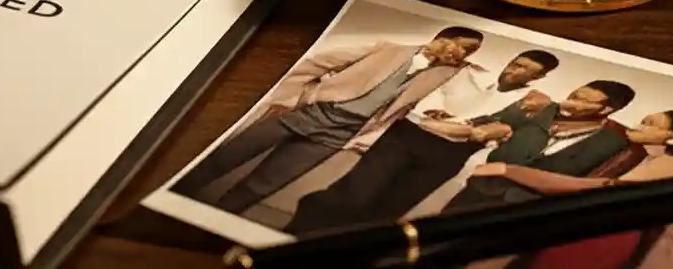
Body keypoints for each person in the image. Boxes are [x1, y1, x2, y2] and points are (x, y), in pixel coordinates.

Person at [171, 27, 484, 214]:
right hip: (309, 112)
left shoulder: (445, 75)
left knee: (266, 182)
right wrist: (290, 99)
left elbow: (458, 100)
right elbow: (312, 65)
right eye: (461, 45)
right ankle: (172, 201)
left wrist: (467, 68)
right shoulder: (387, 48)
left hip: (336, 136)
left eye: (469, 51)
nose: (461, 53)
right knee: (226, 157)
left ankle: (213, 222)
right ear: (443, 38)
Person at [282, 50, 560, 236]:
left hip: (450, 155)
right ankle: (295, 237)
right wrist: (466, 124)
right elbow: (430, 103)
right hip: (408, 137)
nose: (514, 70)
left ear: (537, 77)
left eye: (524, 70)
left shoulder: (534, 102)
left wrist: (466, 125)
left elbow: (499, 132)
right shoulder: (469, 72)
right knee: (354, 193)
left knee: (389, 212)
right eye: (516, 63)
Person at [470, 110, 673, 269]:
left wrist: (512, 170)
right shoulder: (669, 163)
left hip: (601, 238)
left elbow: (590, 189)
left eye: (650, 123)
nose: (639, 127)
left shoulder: (670, 164)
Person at [440, 80, 639, 213]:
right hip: (479, 189)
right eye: (574, 94)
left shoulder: (615, 142)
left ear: (606, 109)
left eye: (583, 101)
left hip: (528, 208)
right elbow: (491, 122)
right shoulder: (540, 108)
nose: (571, 101)